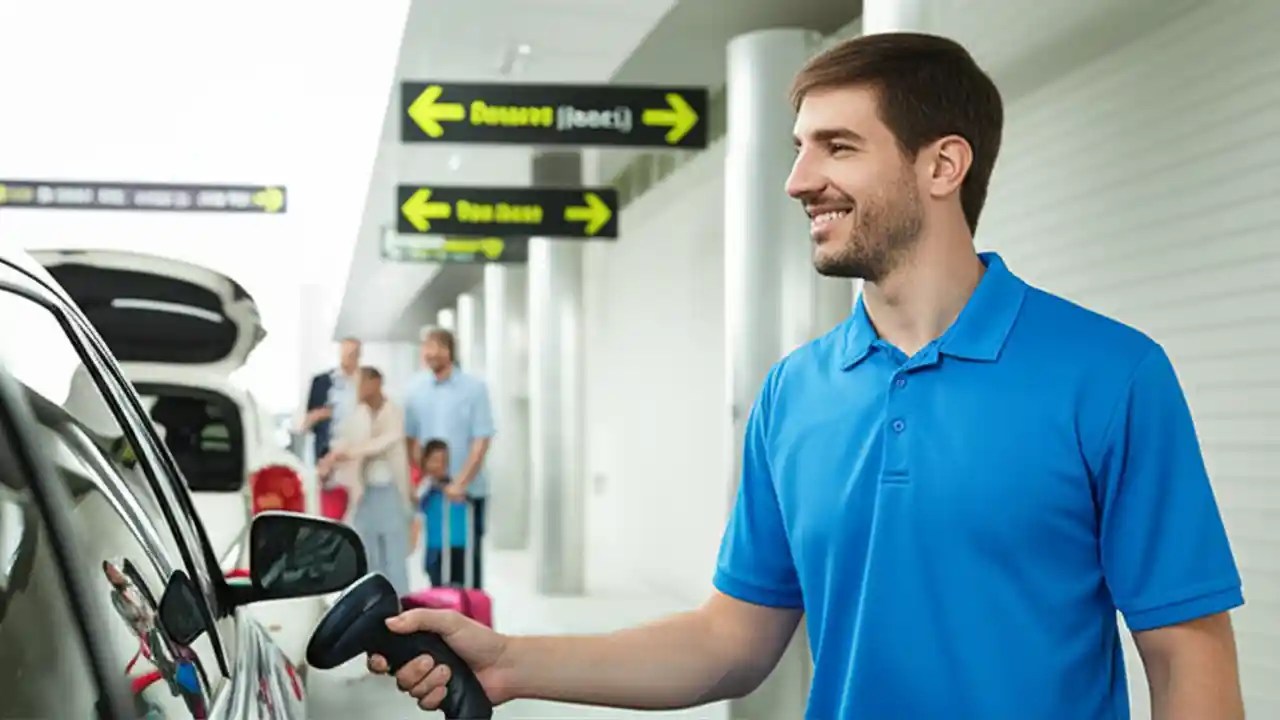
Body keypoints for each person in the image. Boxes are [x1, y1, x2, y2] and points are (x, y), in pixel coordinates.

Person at [368, 32, 1246, 719]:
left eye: (836, 147)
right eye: (797, 147)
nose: (797, 181)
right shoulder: (795, 393)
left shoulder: (1110, 373)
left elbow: (1186, 656)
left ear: (942, 165)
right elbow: (731, 642)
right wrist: (514, 660)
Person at [402, 327, 495, 589]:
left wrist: (461, 483)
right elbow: (410, 439)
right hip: (433, 495)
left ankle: (470, 622)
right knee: (434, 563)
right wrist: (423, 476)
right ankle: (440, 622)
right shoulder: (415, 390)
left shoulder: (474, 389)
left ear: (449, 351)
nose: (430, 353)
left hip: (467, 494)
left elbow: (481, 439)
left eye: (437, 346)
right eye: (426, 347)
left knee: (465, 564)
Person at [319, 366, 414, 597]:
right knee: (368, 555)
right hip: (365, 493)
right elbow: (344, 440)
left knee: (394, 556)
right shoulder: (357, 414)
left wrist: (350, 452)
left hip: (390, 491)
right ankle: (374, 607)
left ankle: (401, 607)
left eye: (361, 383)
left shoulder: (395, 411)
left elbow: (385, 441)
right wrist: (331, 459)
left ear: (376, 382)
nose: (357, 389)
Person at [411, 438, 468, 587]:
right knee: (436, 584)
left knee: (457, 585)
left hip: (457, 543)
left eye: (444, 461)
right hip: (434, 545)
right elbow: (417, 500)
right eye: (435, 460)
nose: (440, 465)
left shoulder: (454, 484)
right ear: (425, 462)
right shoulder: (426, 486)